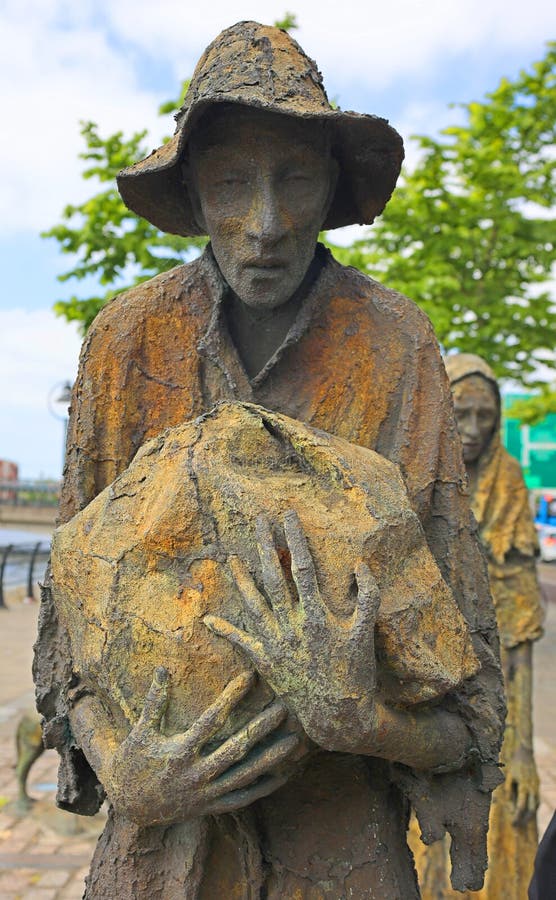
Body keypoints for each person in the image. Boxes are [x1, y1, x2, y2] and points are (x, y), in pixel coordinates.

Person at [34, 22, 504, 899]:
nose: (264, 225)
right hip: (160, 852)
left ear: (330, 183)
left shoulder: (395, 344)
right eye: (229, 185)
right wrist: (121, 767)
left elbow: (459, 669)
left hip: (343, 846)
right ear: (195, 194)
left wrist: (363, 718)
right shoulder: (127, 343)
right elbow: (71, 627)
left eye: (293, 180)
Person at [412, 352, 544, 899]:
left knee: (502, 834)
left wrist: (524, 754)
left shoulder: (508, 483)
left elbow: (517, 633)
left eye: (485, 417)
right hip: (421, 702)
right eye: (459, 413)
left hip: (494, 709)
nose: (471, 430)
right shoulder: (411, 473)